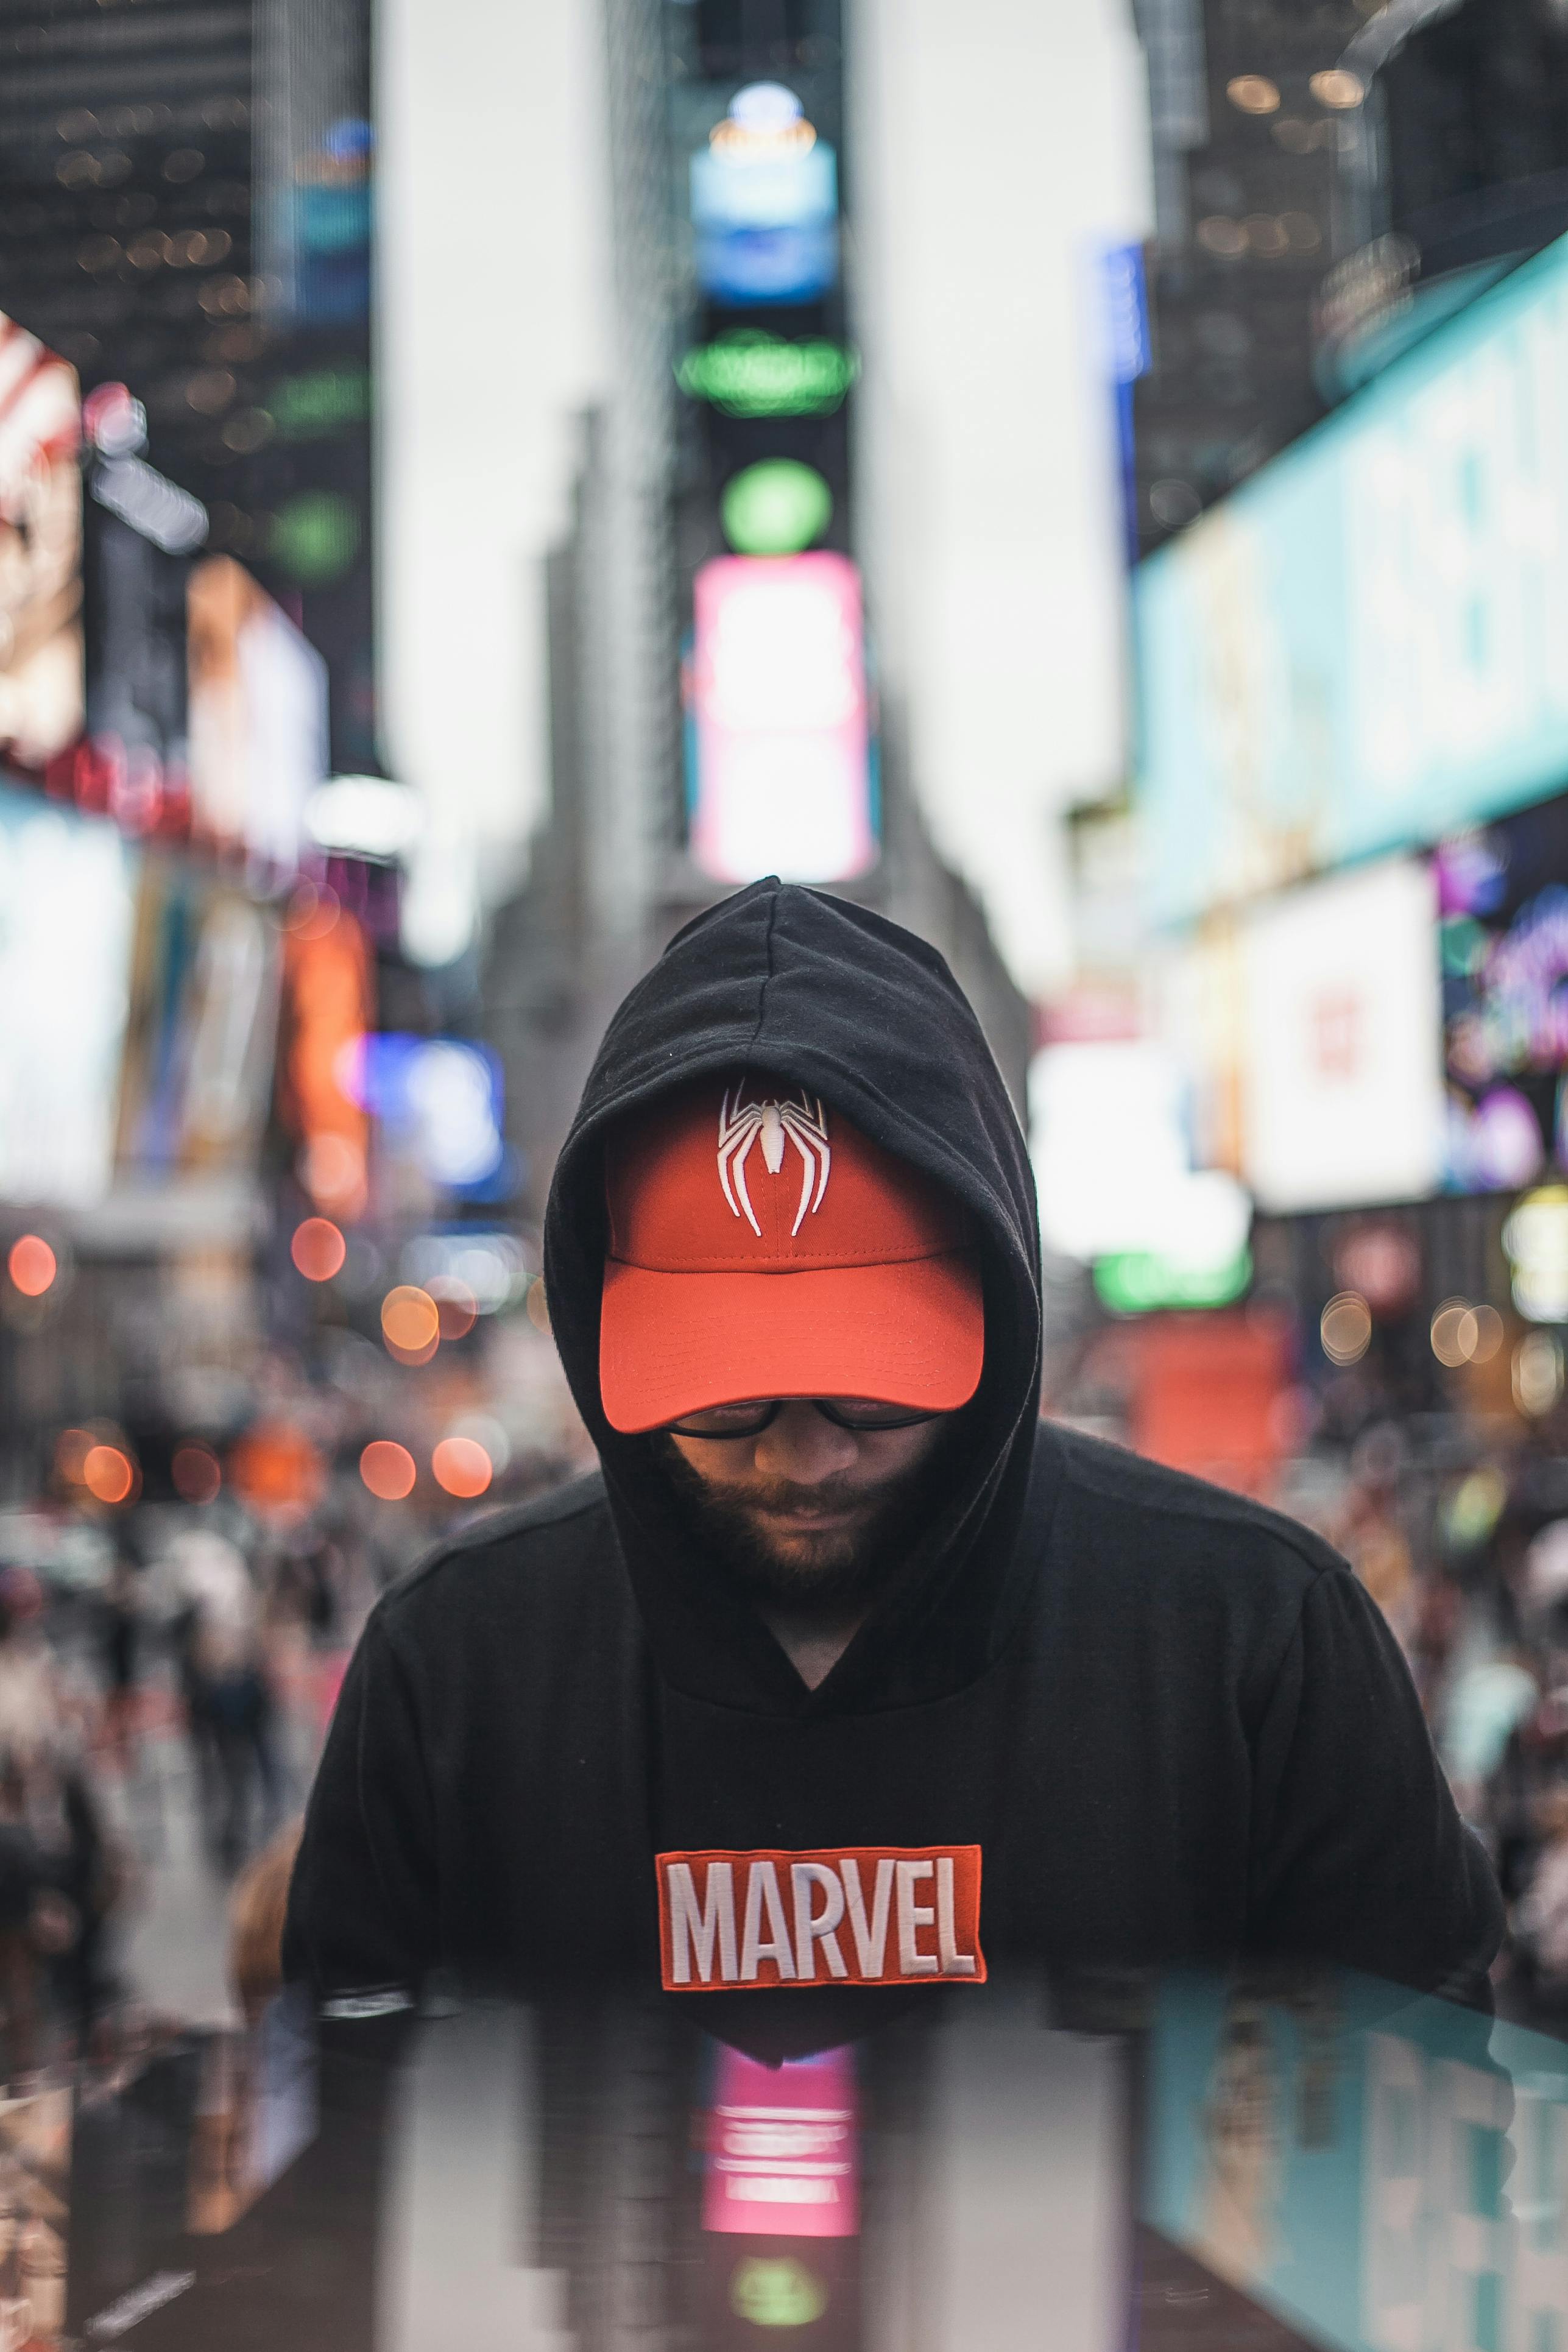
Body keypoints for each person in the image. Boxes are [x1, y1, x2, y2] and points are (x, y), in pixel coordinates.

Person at [284, 880, 1502, 2008]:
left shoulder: (1256, 1648)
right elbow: (342, 2165)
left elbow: (1419, 2165)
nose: (805, 1459)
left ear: (997, 1307)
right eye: (728, 1397)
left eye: (867, 1392)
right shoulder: (452, 1674)